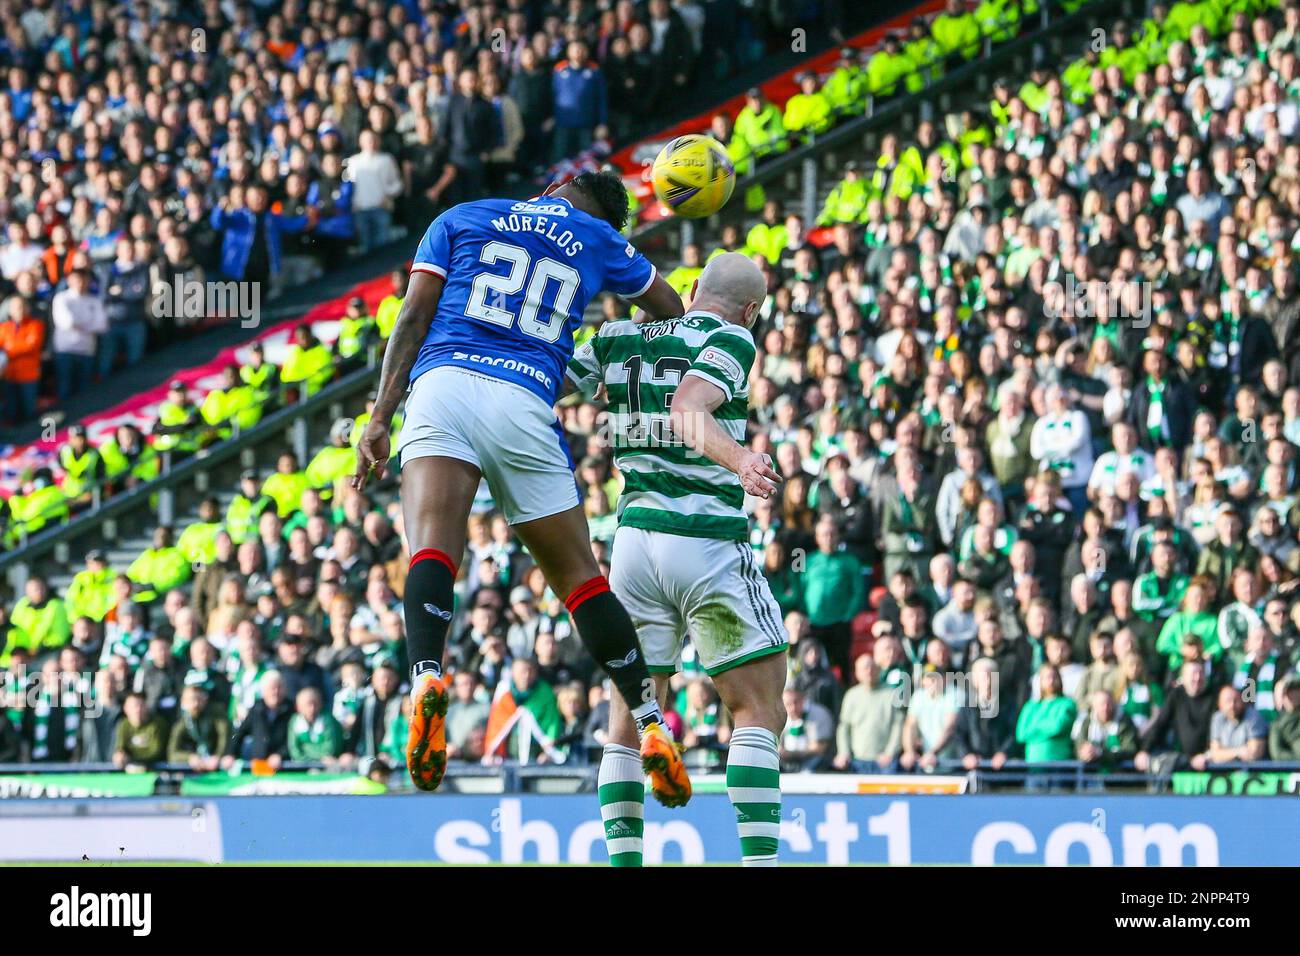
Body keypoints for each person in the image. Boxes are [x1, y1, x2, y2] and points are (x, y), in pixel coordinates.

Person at [351, 170, 687, 798]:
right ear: (609, 219)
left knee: (431, 549)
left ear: (558, 184)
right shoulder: (598, 238)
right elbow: (670, 314)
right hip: (524, 396)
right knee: (581, 580)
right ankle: (649, 724)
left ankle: (427, 675)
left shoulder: (463, 214)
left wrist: (378, 416)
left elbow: (415, 314)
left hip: (441, 382)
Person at [568, 252, 786, 865]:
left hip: (632, 544)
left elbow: (549, 383)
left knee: (629, 715)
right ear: (750, 311)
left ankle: (625, 861)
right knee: (758, 707)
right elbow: (688, 410)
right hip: (704, 539)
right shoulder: (730, 336)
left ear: (691, 289)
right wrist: (741, 461)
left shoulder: (617, 336)